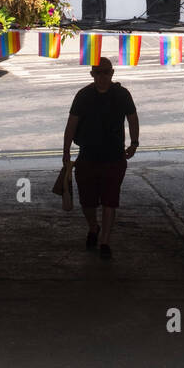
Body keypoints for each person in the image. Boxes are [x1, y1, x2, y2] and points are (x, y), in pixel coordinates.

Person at [62, 56, 138, 261]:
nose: (102, 77)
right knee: (87, 201)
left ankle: (105, 240)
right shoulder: (83, 95)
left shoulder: (122, 94)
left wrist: (134, 143)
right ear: (92, 74)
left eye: (106, 72)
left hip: (114, 157)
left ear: (112, 74)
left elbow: (132, 118)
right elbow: (71, 124)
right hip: (88, 156)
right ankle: (93, 226)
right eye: (98, 73)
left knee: (110, 200)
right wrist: (66, 151)